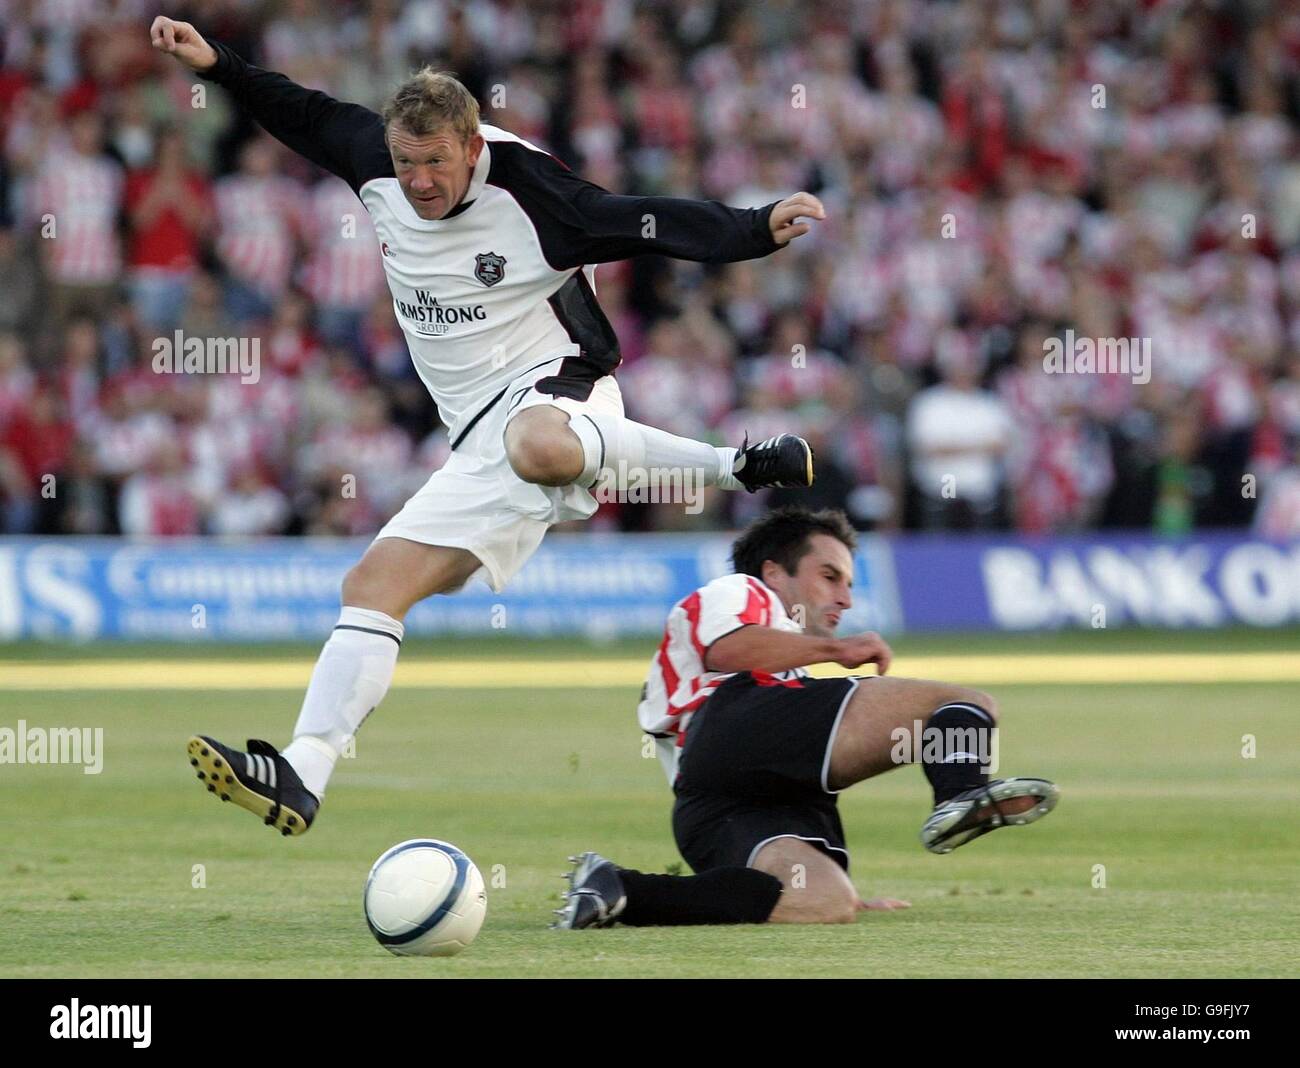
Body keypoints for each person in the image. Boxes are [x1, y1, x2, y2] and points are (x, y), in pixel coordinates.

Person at [150, 16, 823, 835]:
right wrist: (218, 61)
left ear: (471, 147)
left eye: (436, 163)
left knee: (538, 445)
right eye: (407, 164)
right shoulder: (376, 162)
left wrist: (755, 228)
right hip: (474, 435)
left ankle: (737, 465)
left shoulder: (535, 193)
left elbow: (643, 218)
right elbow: (303, 112)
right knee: (370, 590)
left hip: (559, 384)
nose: (420, 181)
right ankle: (304, 771)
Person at [554, 506, 1058, 927]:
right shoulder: (741, 591)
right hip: (729, 733)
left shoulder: (790, 671)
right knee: (967, 705)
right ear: (775, 572)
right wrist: (835, 649)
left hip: (716, 805)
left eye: (849, 583)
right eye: (829, 576)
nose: (845, 597)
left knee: (822, 900)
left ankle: (618, 888)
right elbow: (730, 652)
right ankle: (959, 793)